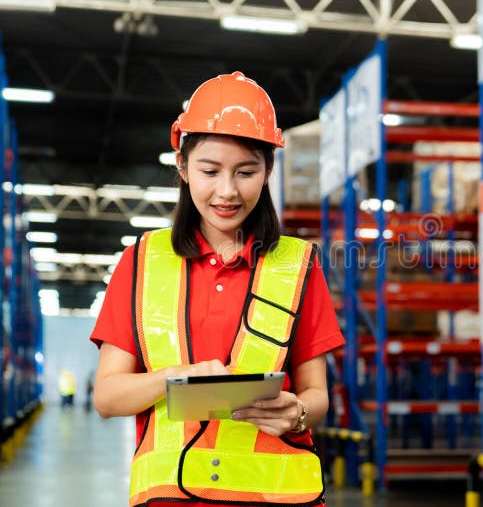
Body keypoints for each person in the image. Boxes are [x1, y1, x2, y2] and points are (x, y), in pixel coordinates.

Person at [90, 72, 345, 507]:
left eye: (246, 172)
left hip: (277, 497)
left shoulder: (299, 264)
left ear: (268, 170)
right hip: (173, 497)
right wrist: (175, 379)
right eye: (210, 171)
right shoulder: (142, 262)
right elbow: (107, 397)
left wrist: (298, 413)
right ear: (183, 167)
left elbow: (316, 393)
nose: (227, 191)